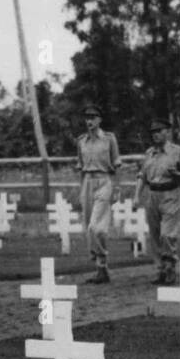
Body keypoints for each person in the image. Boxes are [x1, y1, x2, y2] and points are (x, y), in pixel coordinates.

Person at [134, 118, 180, 285]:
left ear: (167, 132)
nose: (156, 135)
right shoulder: (149, 153)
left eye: (159, 131)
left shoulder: (177, 151)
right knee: (155, 235)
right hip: (153, 194)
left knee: (167, 234)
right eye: (153, 133)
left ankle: (170, 265)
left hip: (170, 193)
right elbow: (142, 177)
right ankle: (160, 269)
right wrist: (137, 196)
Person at [75, 104, 120, 284]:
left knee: (97, 228)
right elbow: (80, 167)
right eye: (87, 118)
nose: (90, 121)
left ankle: (102, 264)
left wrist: (116, 189)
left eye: (93, 117)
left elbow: (116, 164)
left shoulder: (109, 139)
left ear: (99, 119)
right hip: (87, 182)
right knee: (89, 227)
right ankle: (101, 268)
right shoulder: (81, 141)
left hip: (104, 181)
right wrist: (81, 190)